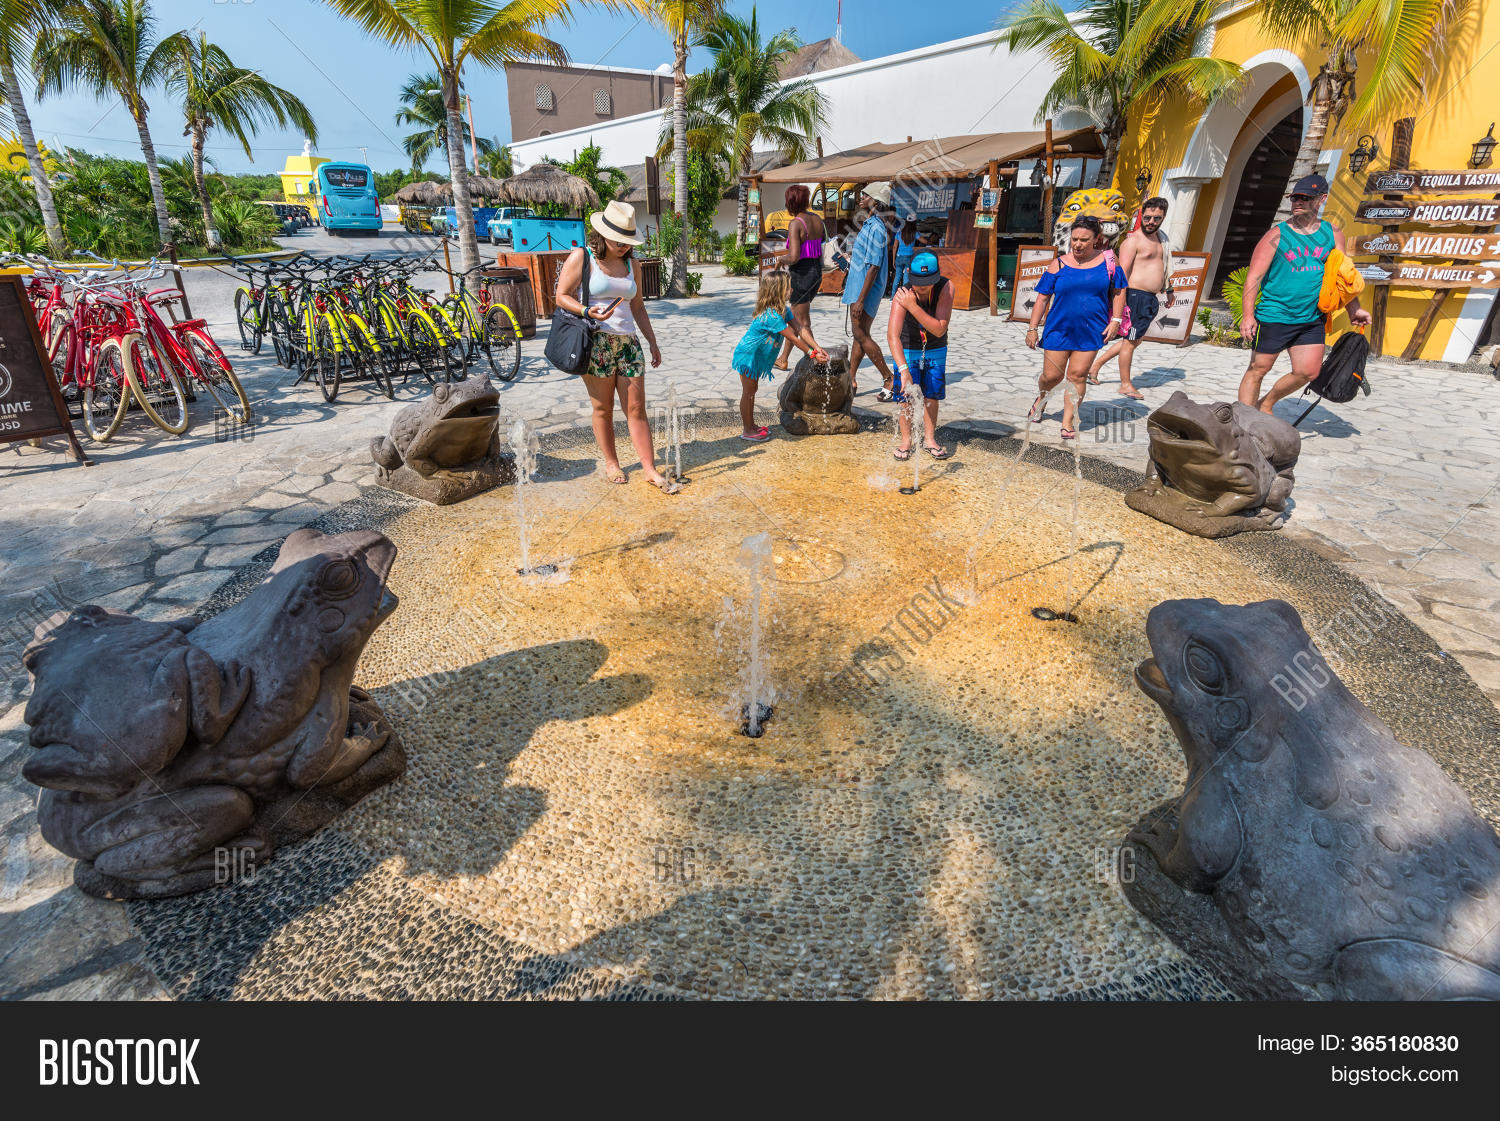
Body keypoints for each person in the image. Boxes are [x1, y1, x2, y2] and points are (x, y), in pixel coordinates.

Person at [554, 200, 678, 492]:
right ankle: (611, 462)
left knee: (636, 407)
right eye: (619, 240)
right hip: (596, 341)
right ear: (603, 234)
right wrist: (586, 312)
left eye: (628, 241)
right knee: (603, 407)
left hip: (628, 343)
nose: (624, 246)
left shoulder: (632, 263)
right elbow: (561, 296)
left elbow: (638, 307)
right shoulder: (582, 258)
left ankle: (649, 467)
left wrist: (652, 341)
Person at [1239, 174, 1372, 413]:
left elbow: (1344, 276)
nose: (1297, 202)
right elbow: (1254, 278)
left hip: (1311, 317)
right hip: (1275, 314)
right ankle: (1241, 421)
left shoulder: (1333, 233)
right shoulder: (1276, 235)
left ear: (1321, 199)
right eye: (1294, 198)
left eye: (1305, 198)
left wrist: (1355, 309)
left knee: (1308, 372)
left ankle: (1265, 405)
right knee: (1259, 368)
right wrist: (1248, 315)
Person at [1025, 215, 1127, 440]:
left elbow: (1119, 290)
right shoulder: (1059, 263)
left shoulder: (1109, 262)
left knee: (1077, 375)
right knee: (1051, 376)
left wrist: (1116, 321)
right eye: (1074, 239)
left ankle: (1068, 421)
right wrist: (1032, 328)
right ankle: (1041, 399)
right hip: (1059, 327)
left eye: (1084, 239)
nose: (1078, 244)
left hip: (1092, 329)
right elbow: (1042, 298)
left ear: (1096, 239)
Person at [1088, 196, 1174, 399]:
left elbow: (1164, 266)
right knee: (1130, 341)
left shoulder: (1163, 238)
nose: (1151, 222)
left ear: (1163, 217)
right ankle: (1125, 384)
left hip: (1150, 299)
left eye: (1156, 218)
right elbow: (1121, 274)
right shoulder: (1133, 240)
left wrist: (1169, 289)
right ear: (1141, 216)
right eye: (1148, 217)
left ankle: (1095, 366)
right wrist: (1119, 301)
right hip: (1135, 297)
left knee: (1135, 339)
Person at [733, 268, 828, 441]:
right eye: (788, 287)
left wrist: (817, 347)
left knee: (752, 391)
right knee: (748, 392)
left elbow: (800, 329)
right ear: (778, 291)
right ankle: (747, 430)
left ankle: (751, 425)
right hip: (748, 356)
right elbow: (793, 337)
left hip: (755, 356)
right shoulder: (771, 315)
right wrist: (811, 353)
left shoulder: (783, 310)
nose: (792, 290)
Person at [887, 250, 956, 460]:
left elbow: (939, 329)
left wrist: (913, 306)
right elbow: (892, 336)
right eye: (917, 282)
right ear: (909, 274)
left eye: (927, 282)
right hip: (908, 346)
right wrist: (903, 369)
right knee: (905, 397)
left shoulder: (946, 287)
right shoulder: (902, 293)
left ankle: (929, 439)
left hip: (935, 347)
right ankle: (906, 440)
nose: (921, 287)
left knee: (932, 395)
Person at [841, 181, 896, 400]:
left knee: (861, 334)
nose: (861, 198)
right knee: (859, 335)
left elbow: (874, 266)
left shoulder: (877, 228)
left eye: (865, 195)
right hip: (859, 286)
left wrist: (861, 300)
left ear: (876, 201)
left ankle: (888, 376)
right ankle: (851, 380)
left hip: (865, 290)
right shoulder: (871, 223)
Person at [772, 184, 827, 371]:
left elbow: (794, 256)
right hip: (815, 273)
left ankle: (816, 360)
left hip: (801, 274)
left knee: (802, 323)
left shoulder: (796, 223)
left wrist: (781, 260)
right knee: (796, 319)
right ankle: (784, 359)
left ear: (791, 202)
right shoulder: (817, 220)